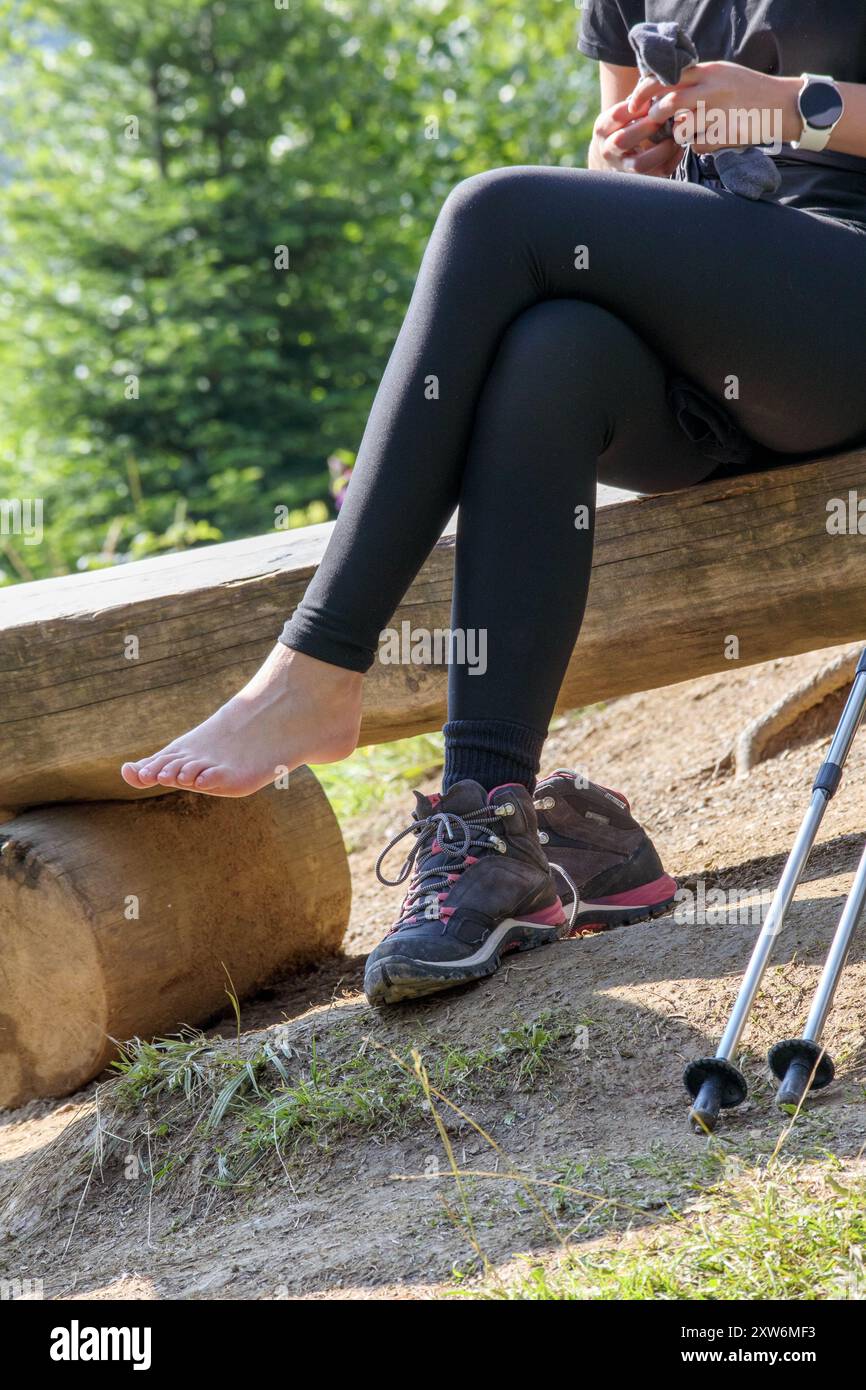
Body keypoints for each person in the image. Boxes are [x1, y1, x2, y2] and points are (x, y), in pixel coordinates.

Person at [122, 2, 866, 1004]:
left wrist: (788, 109)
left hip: (841, 299)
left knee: (491, 212)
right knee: (546, 350)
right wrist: (629, 159)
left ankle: (315, 666)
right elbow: (610, 186)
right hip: (718, 345)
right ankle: (490, 825)